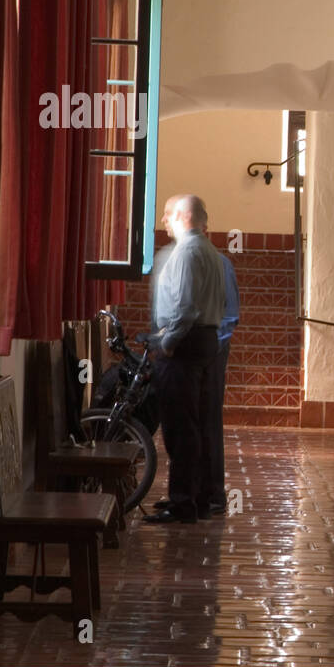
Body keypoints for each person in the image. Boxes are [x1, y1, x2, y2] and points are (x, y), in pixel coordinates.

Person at [145, 194, 225, 524]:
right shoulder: (211, 252)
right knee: (198, 424)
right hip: (205, 341)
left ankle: (182, 503)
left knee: (180, 428)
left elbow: (185, 307)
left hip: (185, 345)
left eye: (167, 214)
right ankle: (198, 497)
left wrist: (168, 343)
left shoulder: (188, 252)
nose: (164, 220)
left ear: (183, 215)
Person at [200, 246, 239, 515]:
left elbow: (230, 314)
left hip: (210, 351)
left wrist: (213, 345)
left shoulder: (220, 264)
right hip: (186, 351)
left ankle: (214, 494)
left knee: (209, 418)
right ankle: (189, 494)